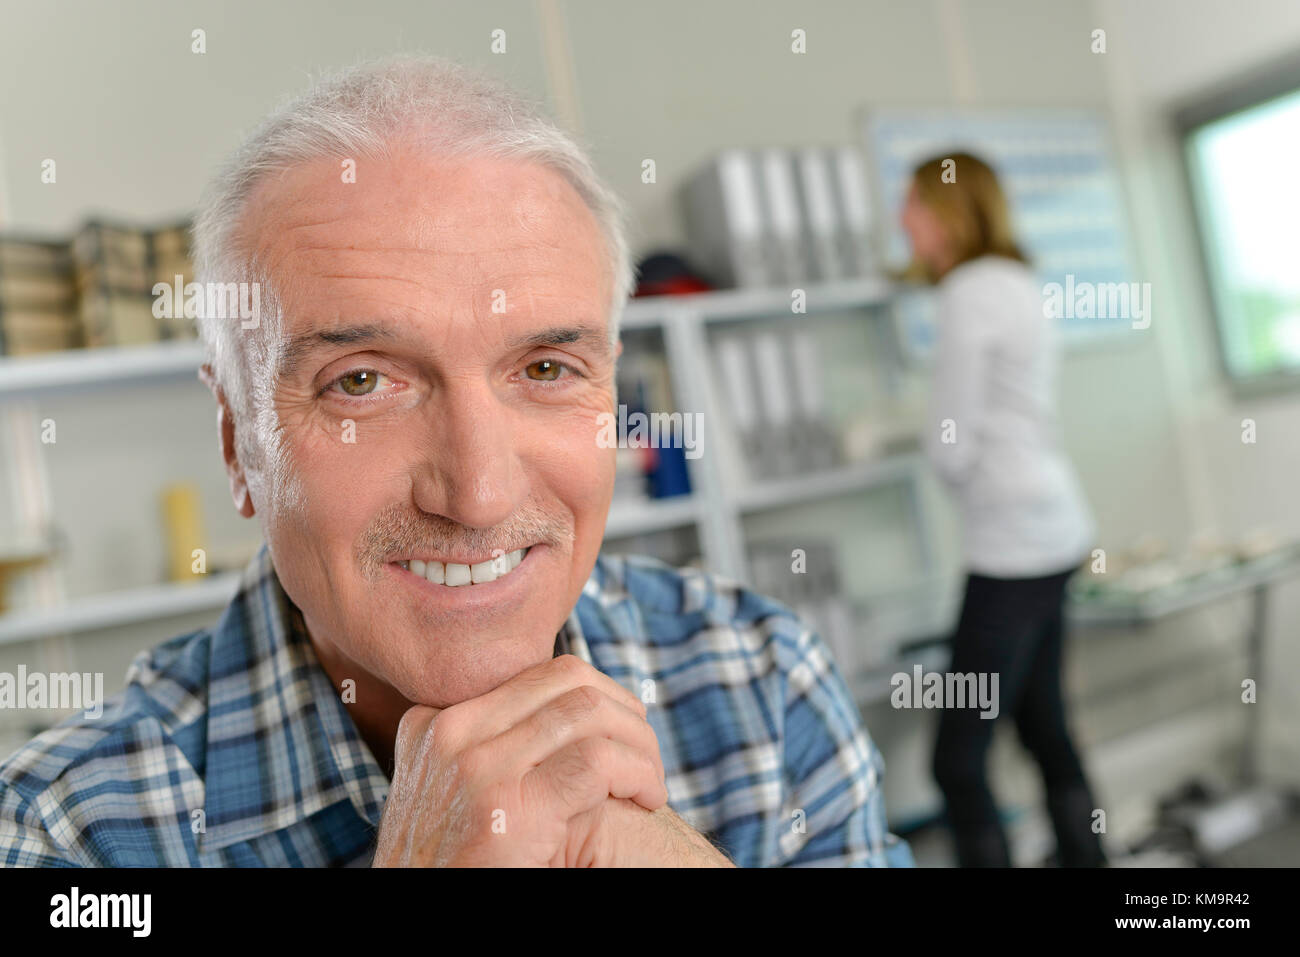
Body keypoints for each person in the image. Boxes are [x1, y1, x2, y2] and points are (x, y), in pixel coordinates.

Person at [0, 55, 912, 868]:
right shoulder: (64, 835)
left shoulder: (763, 684)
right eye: (361, 382)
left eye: (548, 368)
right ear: (237, 438)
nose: (477, 494)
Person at [900, 152, 1106, 867]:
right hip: (1055, 526)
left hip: (1011, 547)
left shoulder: (969, 291)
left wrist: (926, 442)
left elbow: (950, 440)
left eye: (914, 205)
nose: (904, 218)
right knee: (1046, 724)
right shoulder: (1015, 280)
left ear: (949, 212)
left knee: (957, 758)